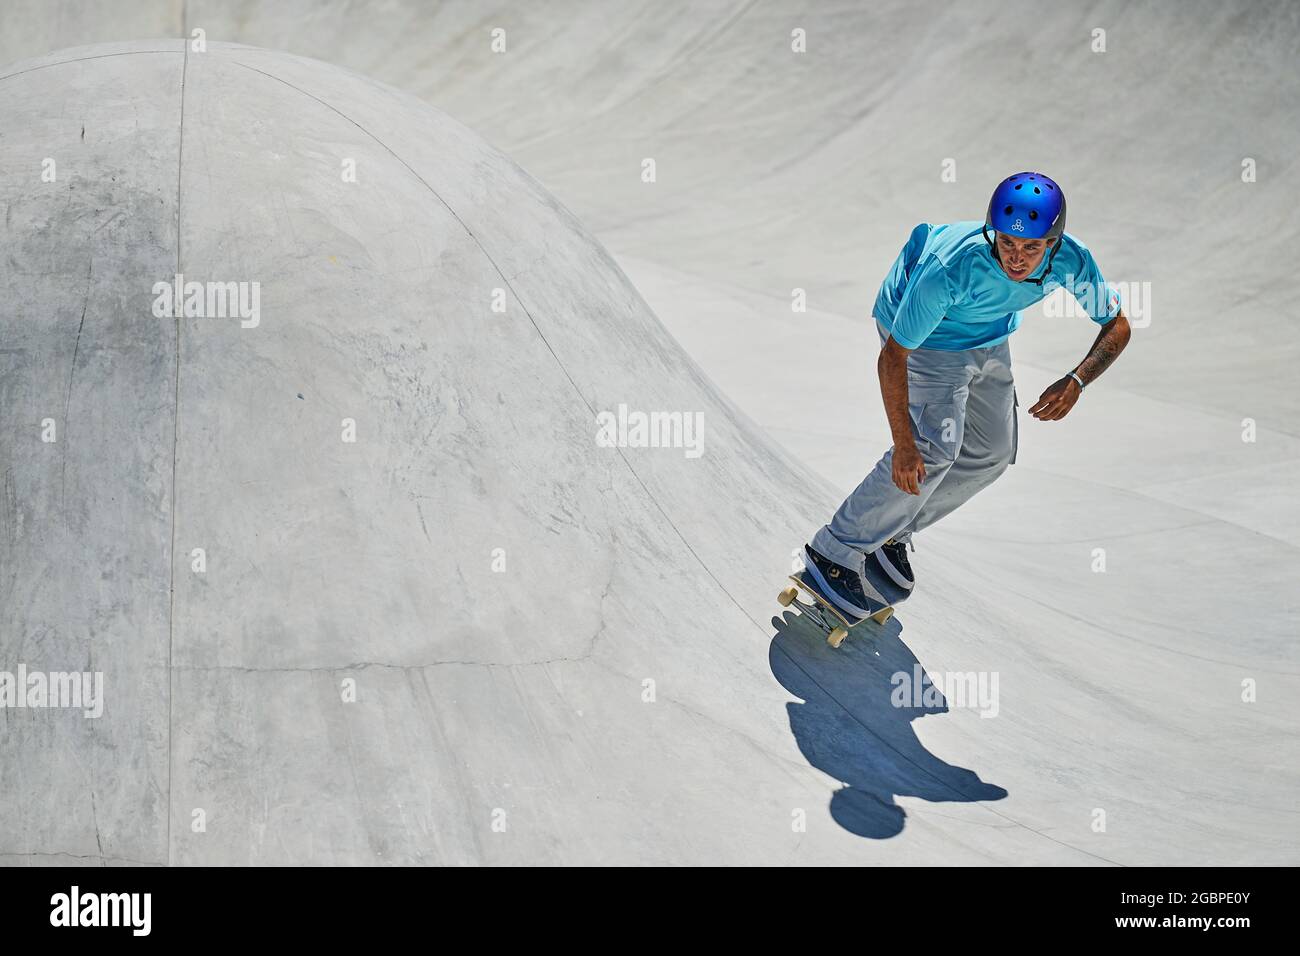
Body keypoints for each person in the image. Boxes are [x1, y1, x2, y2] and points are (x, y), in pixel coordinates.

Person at [803, 171, 1131, 618]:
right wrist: (904, 444)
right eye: (1007, 244)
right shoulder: (951, 268)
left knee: (993, 454)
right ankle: (835, 549)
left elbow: (1117, 325)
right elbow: (894, 357)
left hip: (990, 335)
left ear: (1052, 243)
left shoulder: (1073, 260)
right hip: (924, 338)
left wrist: (1076, 380)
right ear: (991, 232)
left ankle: (892, 533)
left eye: (1031, 248)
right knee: (934, 448)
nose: (1017, 259)